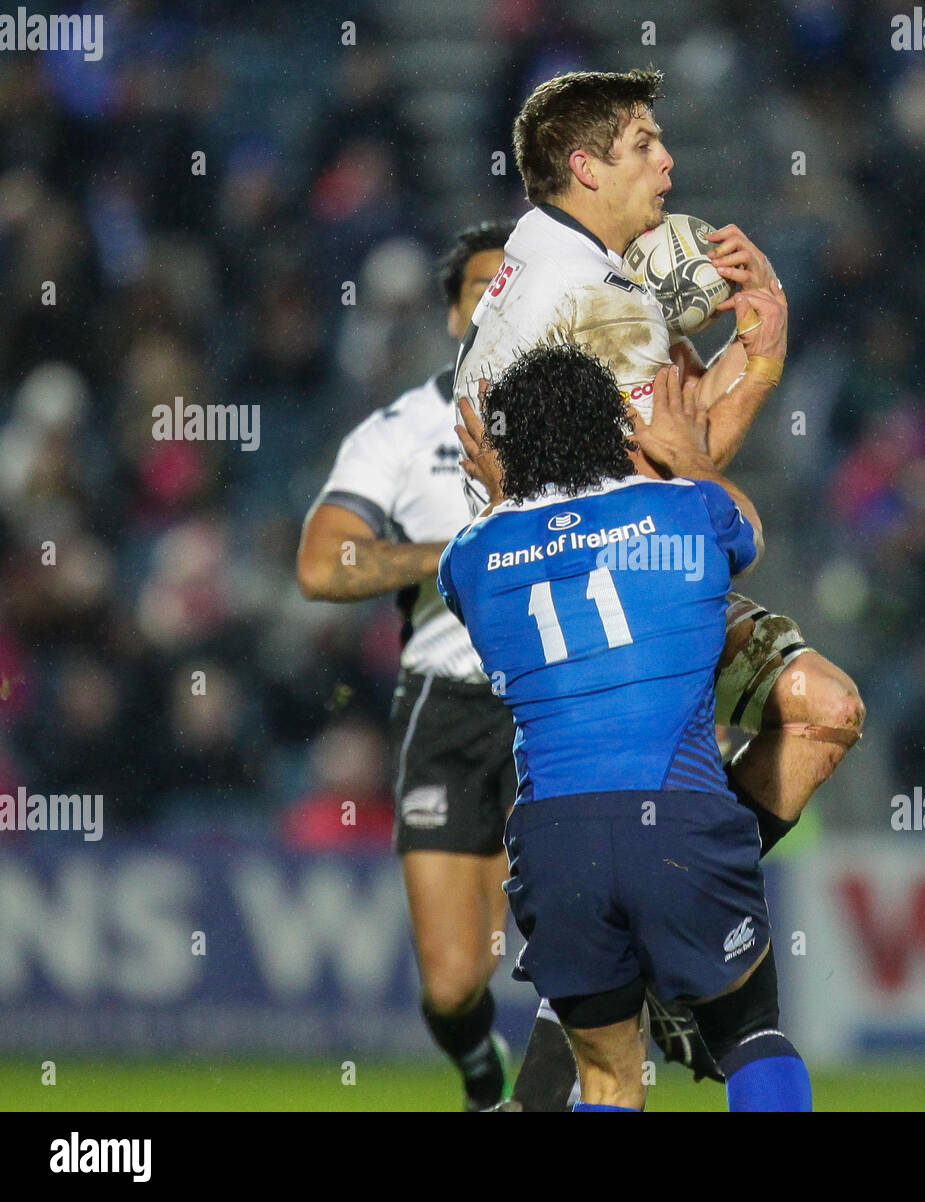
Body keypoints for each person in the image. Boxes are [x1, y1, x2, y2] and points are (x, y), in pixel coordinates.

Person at [454, 65, 863, 1085]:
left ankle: (625, 961)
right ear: (583, 166)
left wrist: (726, 350)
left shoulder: (536, 273)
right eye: (641, 143)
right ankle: (678, 950)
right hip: (620, 586)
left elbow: (646, 454)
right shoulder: (595, 300)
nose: (668, 160)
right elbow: (688, 469)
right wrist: (757, 354)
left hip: (532, 596)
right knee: (820, 709)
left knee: (815, 704)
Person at [440, 342, 813, 1112]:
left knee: (608, 1079)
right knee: (749, 1030)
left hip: (554, 839)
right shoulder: (682, 508)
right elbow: (747, 532)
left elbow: (507, 561)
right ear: (620, 431)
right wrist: (684, 454)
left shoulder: (471, 557)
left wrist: (506, 493)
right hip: (676, 817)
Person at [296, 221, 517, 1111]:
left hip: (557, 701)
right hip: (446, 705)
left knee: (566, 957)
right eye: (481, 289)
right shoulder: (398, 432)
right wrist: (455, 554)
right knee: (453, 984)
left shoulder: (598, 420)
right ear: (453, 311)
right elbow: (321, 565)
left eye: (518, 288)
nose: (499, 304)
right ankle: (480, 1075)